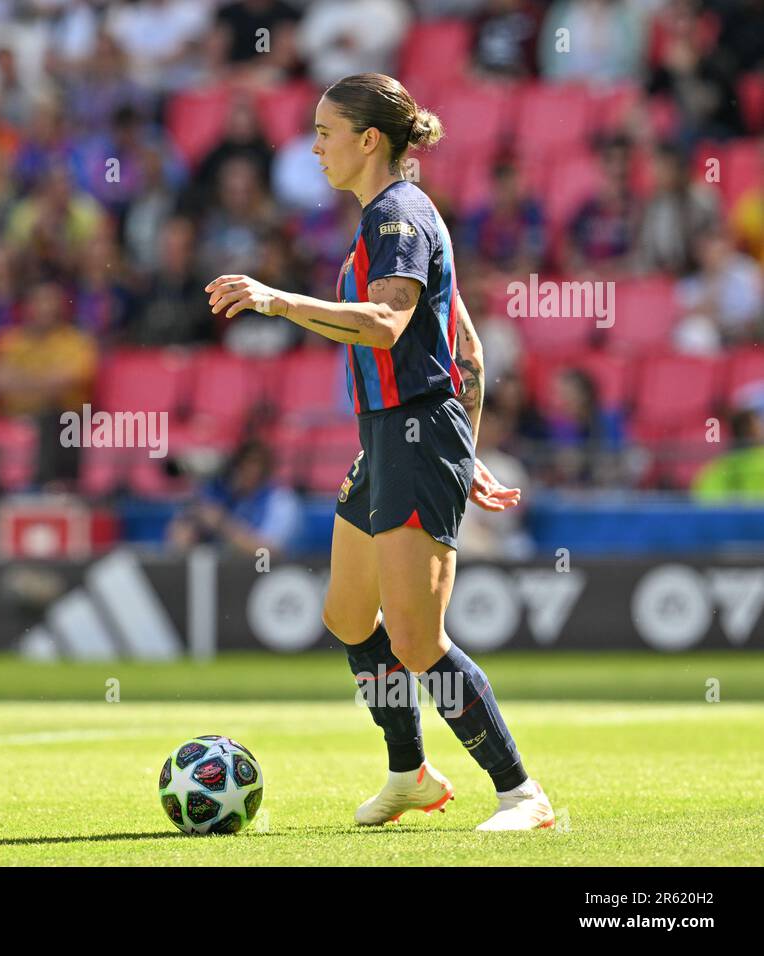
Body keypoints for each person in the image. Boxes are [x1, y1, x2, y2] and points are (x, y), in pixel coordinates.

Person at [204, 73, 554, 830]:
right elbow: (465, 344)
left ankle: (522, 792)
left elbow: (390, 324)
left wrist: (276, 300)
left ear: (370, 140)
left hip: (415, 431)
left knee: (418, 639)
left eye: (326, 130)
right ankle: (410, 772)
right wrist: (470, 444)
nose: (314, 144)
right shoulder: (393, 217)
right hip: (399, 436)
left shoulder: (398, 215)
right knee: (349, 615)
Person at [167, 439, 302, 556]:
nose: (249, 472)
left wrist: (222, 525)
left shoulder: (280, 501)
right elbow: (179, 539)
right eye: (243, 465)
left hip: (263, 573)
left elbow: (269, 553)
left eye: (255, 465)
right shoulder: (224, 494)